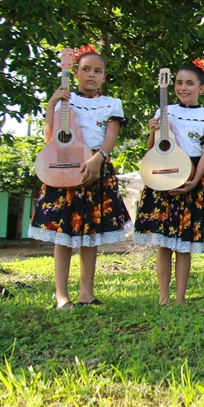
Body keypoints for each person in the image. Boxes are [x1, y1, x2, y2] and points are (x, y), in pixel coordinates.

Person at [28, 44, 130, 309]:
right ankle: (61, 294)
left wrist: (98, 160)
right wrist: (52, 103)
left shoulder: (113, 104)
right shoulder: (65, 100)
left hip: (95, 168)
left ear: (105, 76)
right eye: (85, 69)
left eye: (98, 71)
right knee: (63, 235)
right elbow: (50, 137)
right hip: (62, 167)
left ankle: (87, 293)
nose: (91, 75)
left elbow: (110, 140)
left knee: (90, 234)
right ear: (75, 73)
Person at [134, 59, 204, 305]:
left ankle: (181, 297)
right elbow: (152, 149)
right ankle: (164, 297)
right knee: (164, 242)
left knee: (185, 243)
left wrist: (195, 180)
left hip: (191, 175)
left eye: (190, 83)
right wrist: (153, 130)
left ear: (201, 88)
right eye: (179, 82)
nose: (183, 87)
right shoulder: (164, 111)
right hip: (162, 175)